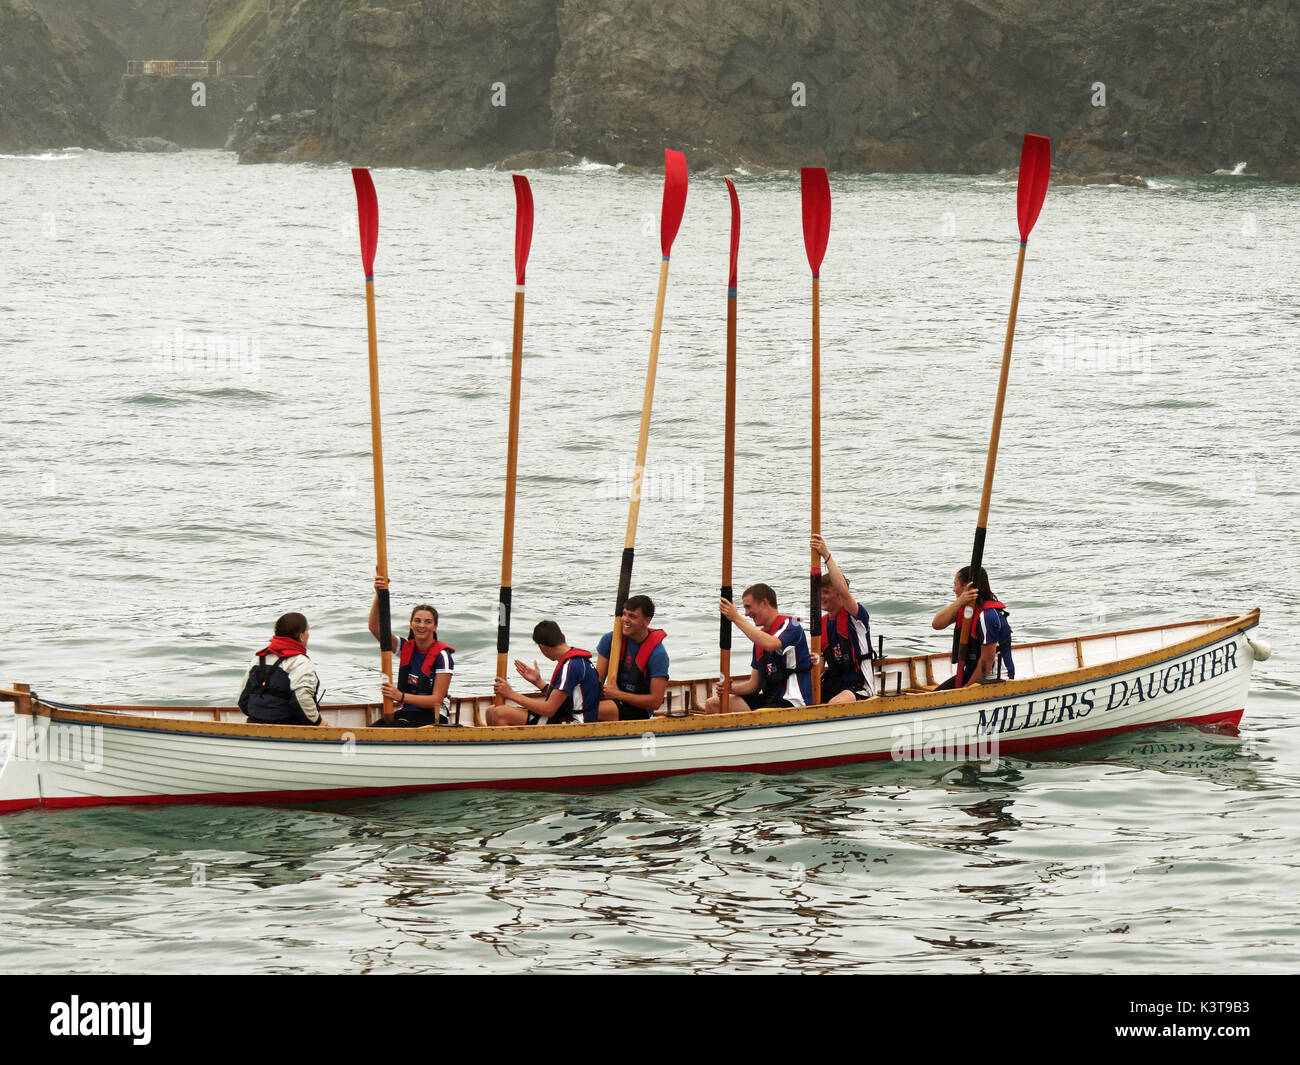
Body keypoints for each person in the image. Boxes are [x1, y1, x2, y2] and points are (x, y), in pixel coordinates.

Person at [706, 583, 812, 713]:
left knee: (757, 715)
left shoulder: (791, 625)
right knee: (713, 704)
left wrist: (735, 618)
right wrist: (731, 689)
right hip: (769, 698)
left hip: (793, 701)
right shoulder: (759, 639)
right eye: (744, 609)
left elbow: (772, 644)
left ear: (764, 603)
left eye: (748, 607)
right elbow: (754, 685)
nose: (746, 613)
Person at [367, 572, 454, 726]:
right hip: (409, 711)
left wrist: (399, 696)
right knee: (374, 729)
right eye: (417, 621)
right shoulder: (406, 648)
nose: (421, 625)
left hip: (434, 716)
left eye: (427, 622)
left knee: (394, 729)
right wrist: (379, 594)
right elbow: (375, 628)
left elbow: (436, 700)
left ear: (434, 627)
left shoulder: (442, 656)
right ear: (411, 623)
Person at [488, 620, 602, 726]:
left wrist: (510, 694)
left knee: (500, 713)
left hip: (574, 723)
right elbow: (564, 698)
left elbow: (549, 710)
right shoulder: (577, 661)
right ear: (563, 637)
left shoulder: (570, 666)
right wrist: (539, 682)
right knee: (490, 711)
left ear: (542, 647)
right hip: (564, 715)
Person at [811, 534, 875, 702]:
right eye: (820, 592)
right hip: (834, 683)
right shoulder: (822, 624)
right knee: (805, 699)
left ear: (838, 595)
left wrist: (826, 555)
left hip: (860, 687)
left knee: (834, 704)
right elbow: (819, 663)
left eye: (825, 592)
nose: (821, 597)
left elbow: (843, 591)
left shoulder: (856, 616)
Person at [931, 565, 1015, 689]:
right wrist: (960, 601)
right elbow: (937, 624)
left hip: (994, 678)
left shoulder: (987, 616)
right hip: (971, 672)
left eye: (956, 584)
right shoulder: (967, 609)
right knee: (936, 698)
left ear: (967, 587)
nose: (954, 589)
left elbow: (987, 660)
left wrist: (965, 691)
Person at [238, 611, 324, 725]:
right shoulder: (300, 662)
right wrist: (318, 722)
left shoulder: (258, 660)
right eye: (307, 630)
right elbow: (302, 698)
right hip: (288, 728)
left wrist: (259, 716)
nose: (309, 634)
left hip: (254, 724)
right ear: (301, 636)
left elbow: (242, 699)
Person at [595, 594, 669, 721]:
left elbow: (656, 702)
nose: (625, 620)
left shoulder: (658, 655)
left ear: (647, 621)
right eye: (624, 614)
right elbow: (598, 680)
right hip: (611, 700)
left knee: (594, 712)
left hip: (638, 710)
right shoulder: (610, 640)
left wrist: (618, 694)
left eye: (632, 616)